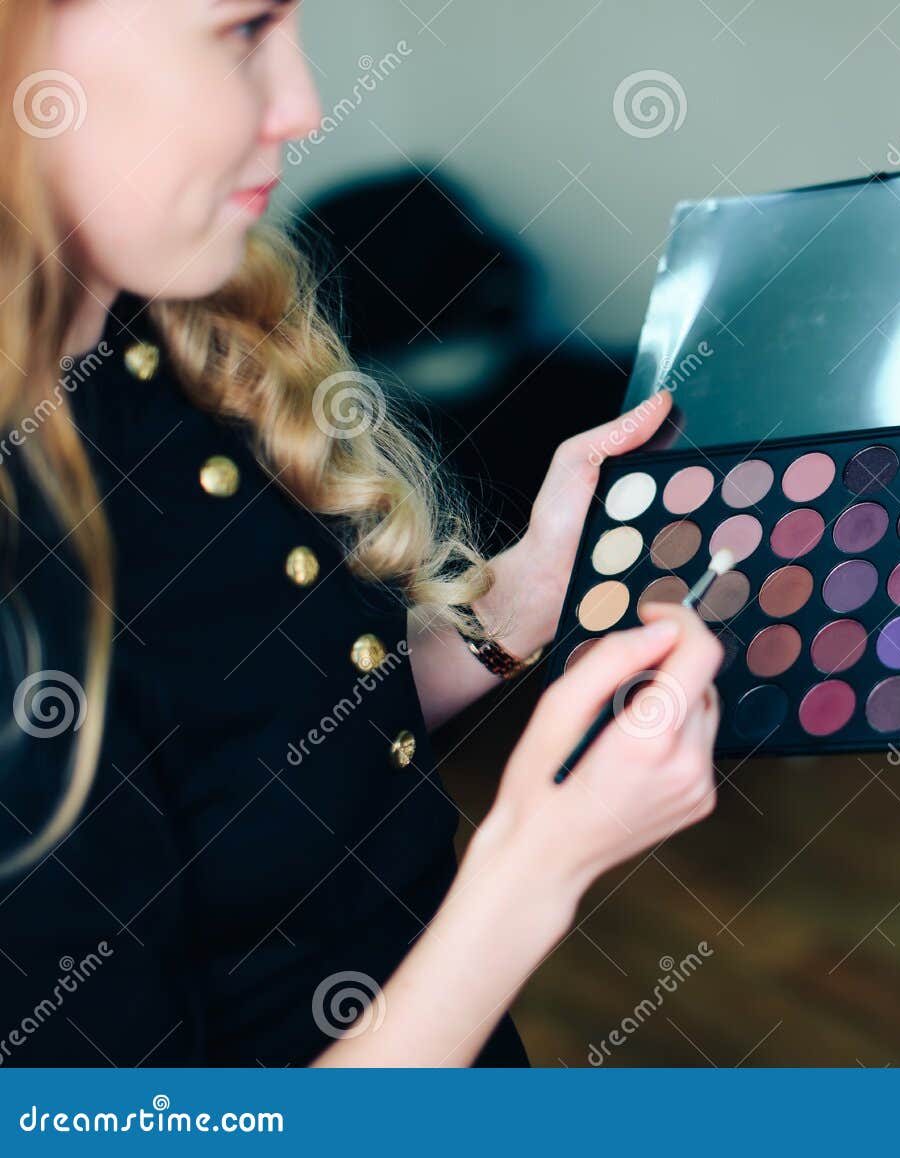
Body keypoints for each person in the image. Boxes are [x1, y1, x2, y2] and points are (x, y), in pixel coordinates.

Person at [0, 0, 720, 1066]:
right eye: (243, 30)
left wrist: (516, 602)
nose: (303, 104)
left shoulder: (156, 347)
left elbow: (255, 745)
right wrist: (537, 865)